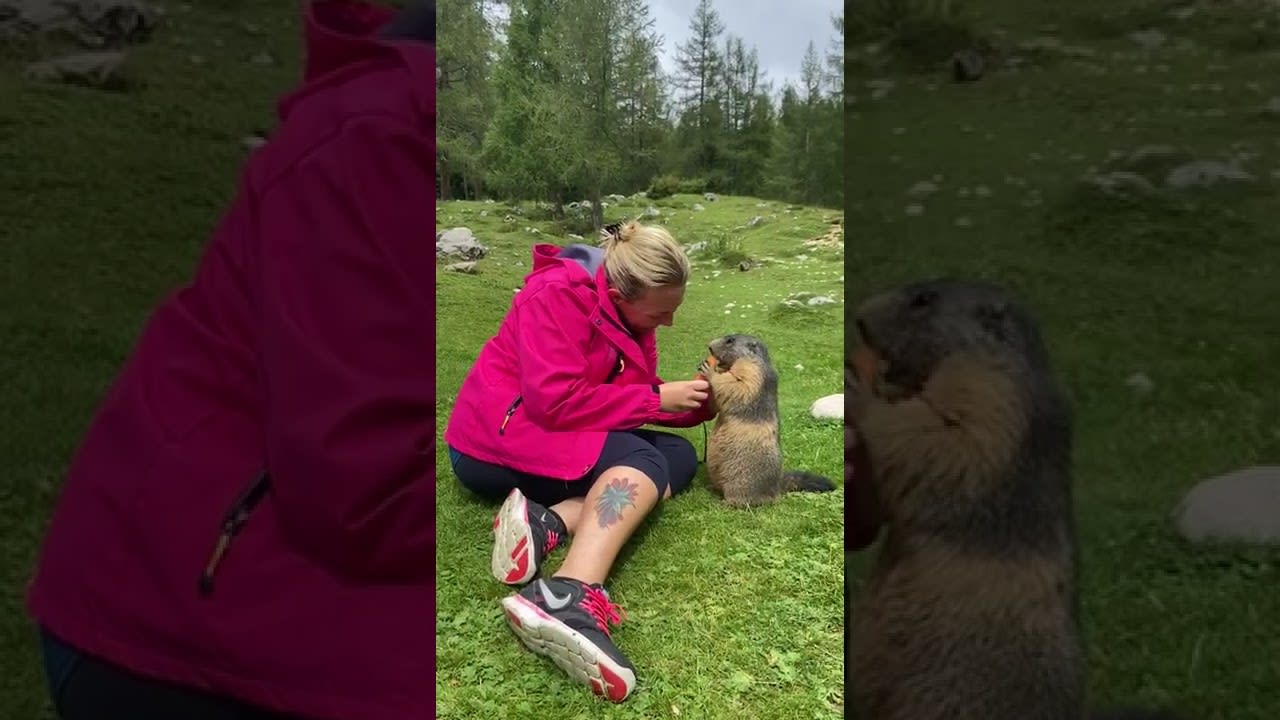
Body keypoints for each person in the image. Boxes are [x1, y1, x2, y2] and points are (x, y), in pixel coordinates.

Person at [24, 2, 437, 719]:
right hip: (191, 626)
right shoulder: (375, 131)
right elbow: (364, 489)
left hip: (312, 608)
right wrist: (534, 483)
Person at [443, 220, 716, 703]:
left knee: (675, 453)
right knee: (640, 457)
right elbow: (553, 402)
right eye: (661, 312)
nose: (668, 322)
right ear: (617, 291)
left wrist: (696, 405)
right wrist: (657, 399)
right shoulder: (554, 294)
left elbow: (627, 396)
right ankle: (565, 594)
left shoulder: (631, 316)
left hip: (551, 431)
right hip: (493, 438)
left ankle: (548, 519)